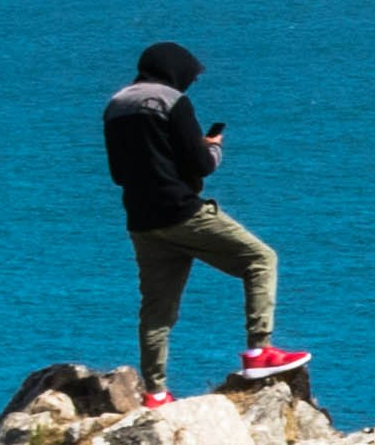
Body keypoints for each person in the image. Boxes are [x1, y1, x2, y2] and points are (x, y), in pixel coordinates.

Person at [103, 41, 283, 401]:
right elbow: (201, 164)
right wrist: (213, 146)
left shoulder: (115, 106)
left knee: (157, 310)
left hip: (142, 221)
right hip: (183, 212)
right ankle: (260, 351)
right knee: (261, 260)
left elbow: (121, 172)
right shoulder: (172, 101)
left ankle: (155, 393)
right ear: (174, 70)